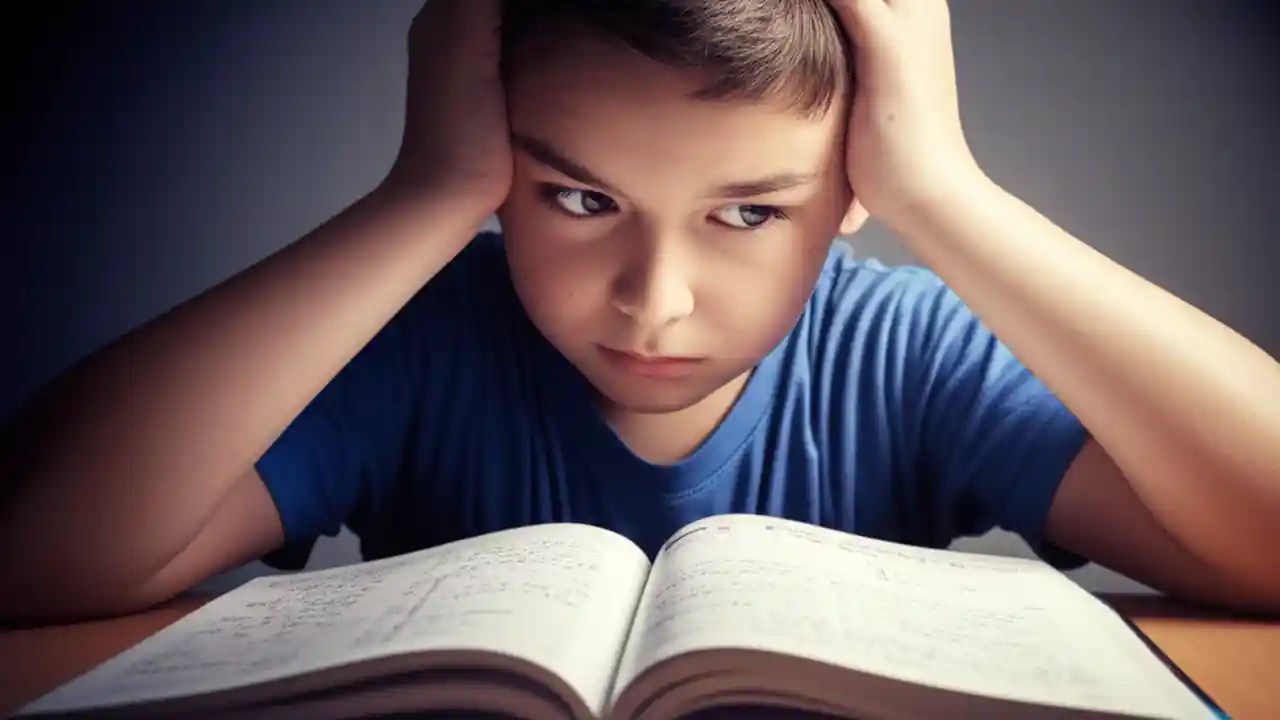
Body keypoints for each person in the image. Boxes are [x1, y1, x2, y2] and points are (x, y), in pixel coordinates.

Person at [2, 0, 1278, 624]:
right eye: (572, 196)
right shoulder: (408, 347)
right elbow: (33, 558)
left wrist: (945, 191)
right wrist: (427, 194)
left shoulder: (899, 352)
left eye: (746, 213)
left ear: (851, 191)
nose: (652, 305)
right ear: (497, 159)